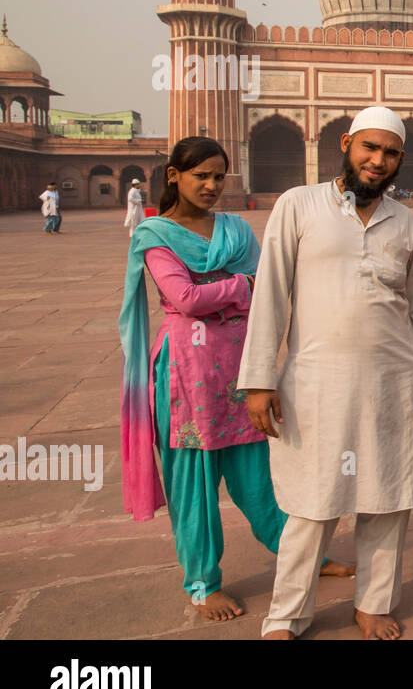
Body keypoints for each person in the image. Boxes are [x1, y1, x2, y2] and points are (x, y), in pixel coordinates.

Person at [118, 137, 349, 622]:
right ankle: (202, 583)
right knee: (194, 484)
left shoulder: (236, 227)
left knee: (261, 477)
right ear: (173, 176)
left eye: (218, 176)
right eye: (201, 175)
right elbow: (185, 299)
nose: (211, 185)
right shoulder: (155, 234)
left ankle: (302, 554)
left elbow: (267, 285)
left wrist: (227, 288)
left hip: (241, 367)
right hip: (186, 375)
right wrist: (239, 285)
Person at [238, 105, 413, 640]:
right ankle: (286, 614)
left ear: (401, 159)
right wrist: (259, 378)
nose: (378, 161)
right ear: (346, 144)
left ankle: (373, 604)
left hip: (395, 383)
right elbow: (270, 294)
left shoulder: (404, 222)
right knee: (312, 503)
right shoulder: (298, 205)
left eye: (390, 153)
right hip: (316, 383)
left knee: (387, 498)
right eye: (369, 148)